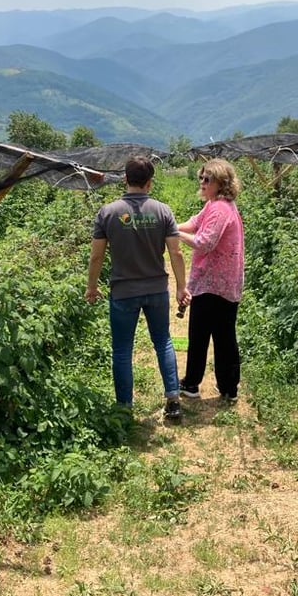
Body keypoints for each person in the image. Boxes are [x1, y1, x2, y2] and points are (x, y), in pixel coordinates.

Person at [86, 156, 190, 420]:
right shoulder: (163, 211)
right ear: (149, 182)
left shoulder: (107, 213)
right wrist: (181, 287)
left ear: (125, 179)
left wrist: (92, 287)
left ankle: (124, 409)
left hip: (123, 292)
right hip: (156, 289)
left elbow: (96, 256)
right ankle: (173, 400)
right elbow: (176, 253)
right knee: (163, 342)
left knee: (122, 349)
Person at [176, 158, 245, 403]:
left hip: (215, 282)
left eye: (208, 179)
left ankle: (193, 383)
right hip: (224, 282)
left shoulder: (219, 209)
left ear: (221, 183)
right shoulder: (217, 204)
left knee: (204, 334)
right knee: (223, 334)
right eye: (201, 177)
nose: (203, 183)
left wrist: (173, 234)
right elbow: (195, 223)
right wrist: (171, 225)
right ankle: (228, 388)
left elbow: (205, 242)